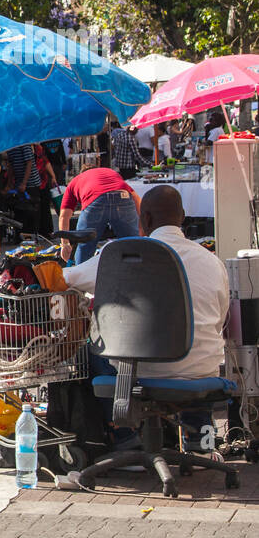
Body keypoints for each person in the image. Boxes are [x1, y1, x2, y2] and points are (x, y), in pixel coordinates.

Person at [65, 185, 228, 447]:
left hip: (140, 372)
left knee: (88, 352)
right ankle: (200, 441)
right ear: (183, 217)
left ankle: (126, 438)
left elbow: (65, 280)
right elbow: (220, 319)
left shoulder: (120, 253)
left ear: (146, 219)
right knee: (198, 349)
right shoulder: (212, 261)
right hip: (202, 371)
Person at [57, 164, 142, 264]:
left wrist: (65, 244)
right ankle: (137, 273)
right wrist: (142, 227)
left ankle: (83, 275)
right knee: (132, 245)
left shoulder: (76, 180)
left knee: (85, 246)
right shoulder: (110, 172)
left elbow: (64, 216)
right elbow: (136, 198)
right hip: (122, 196)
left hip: (95, 200)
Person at [3, 143, 43, 235]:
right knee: (20, 210)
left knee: (31, 210)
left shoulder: (24, 144)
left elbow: (29, 163)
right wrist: (9, 184)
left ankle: (32, 235)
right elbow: (11, 165)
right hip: (19, 182)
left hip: (31, 183)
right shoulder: (10, 146)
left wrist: (24, 183)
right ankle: (21, 235)